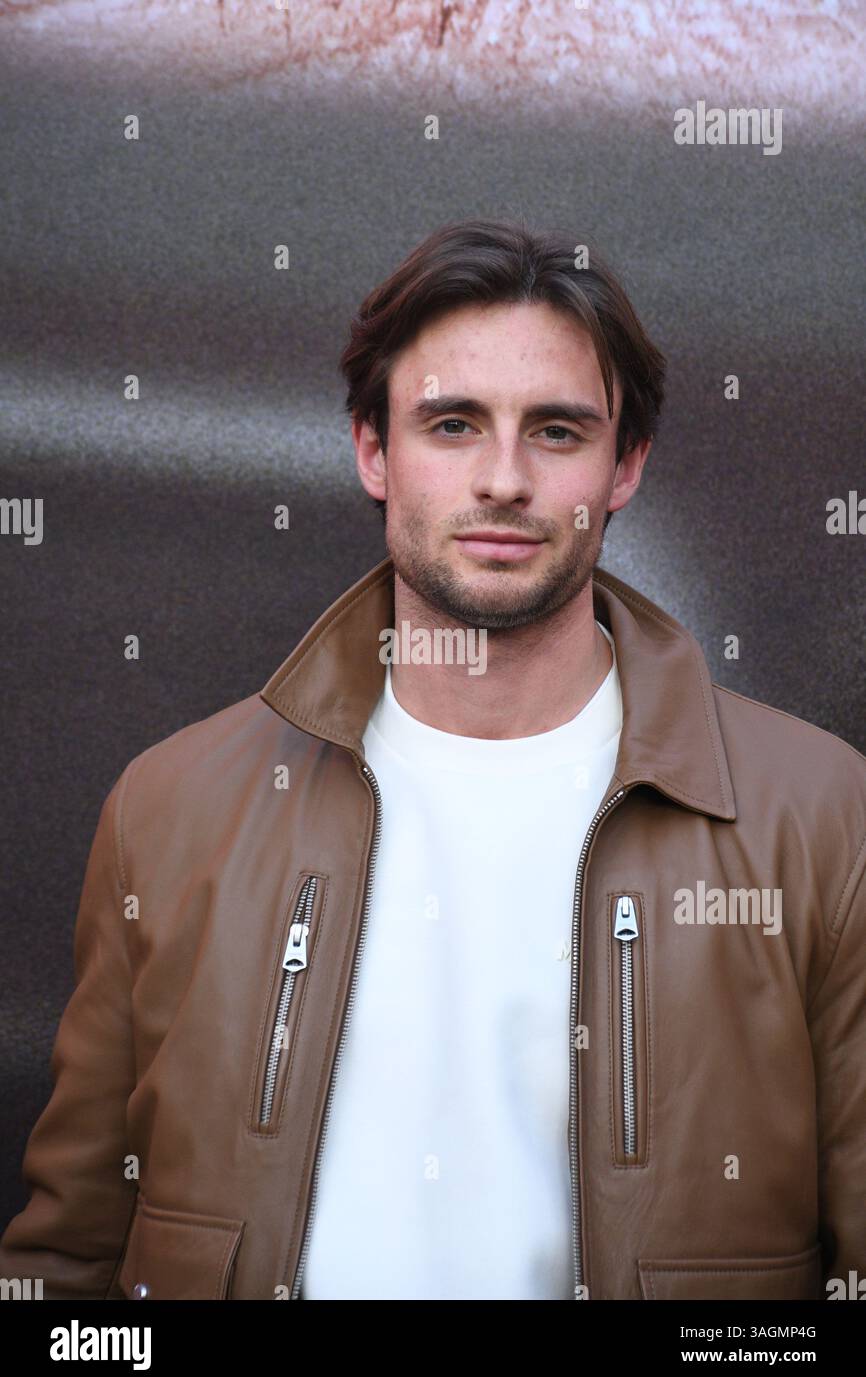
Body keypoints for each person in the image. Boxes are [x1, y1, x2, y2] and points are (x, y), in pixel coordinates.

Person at [1, 218, 864, 1301]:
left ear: (624, 463)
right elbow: (68, 1261)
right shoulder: (172, 807)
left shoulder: (819, 818)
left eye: (555, 432)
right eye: (452, 424)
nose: (502, 478)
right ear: (372, 450)